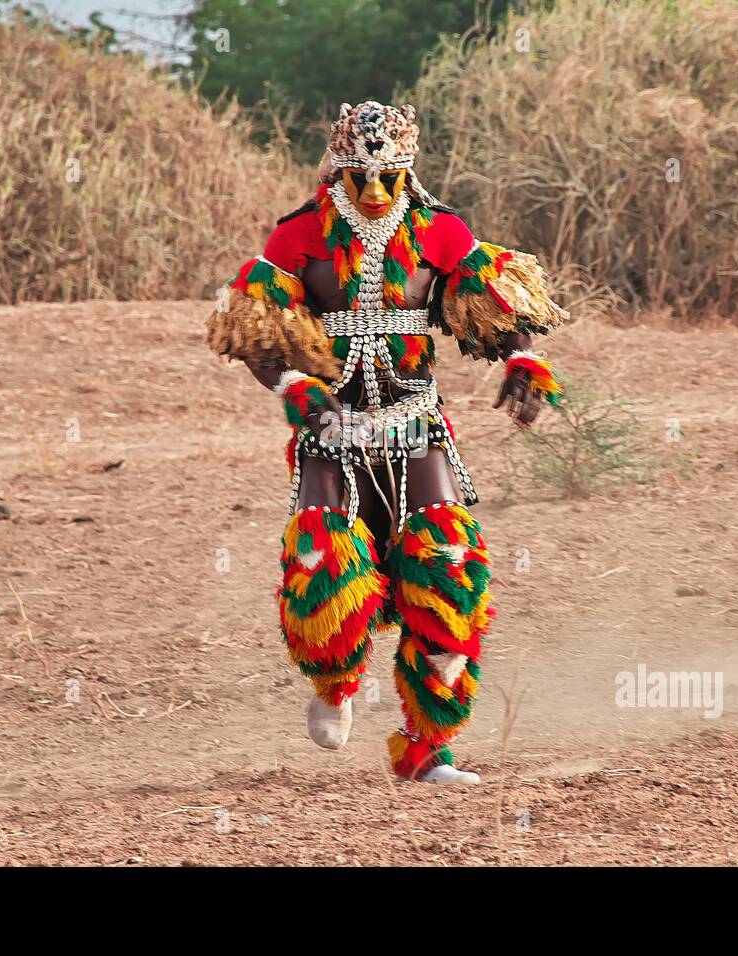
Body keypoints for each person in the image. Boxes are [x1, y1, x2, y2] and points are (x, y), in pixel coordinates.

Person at [208, 102, 566, 783]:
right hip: (330, 431)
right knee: (320, 558)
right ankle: (335, 682)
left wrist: (526, 361)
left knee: (449, 566)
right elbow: (257, 334)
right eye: (357, 177)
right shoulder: (297, 238)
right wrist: (295, 390)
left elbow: (497, 307)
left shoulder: (442, 233)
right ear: (334, 171)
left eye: (388, 178)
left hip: (414, 422)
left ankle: (426, 748)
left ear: (409, 173)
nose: (373, 193)